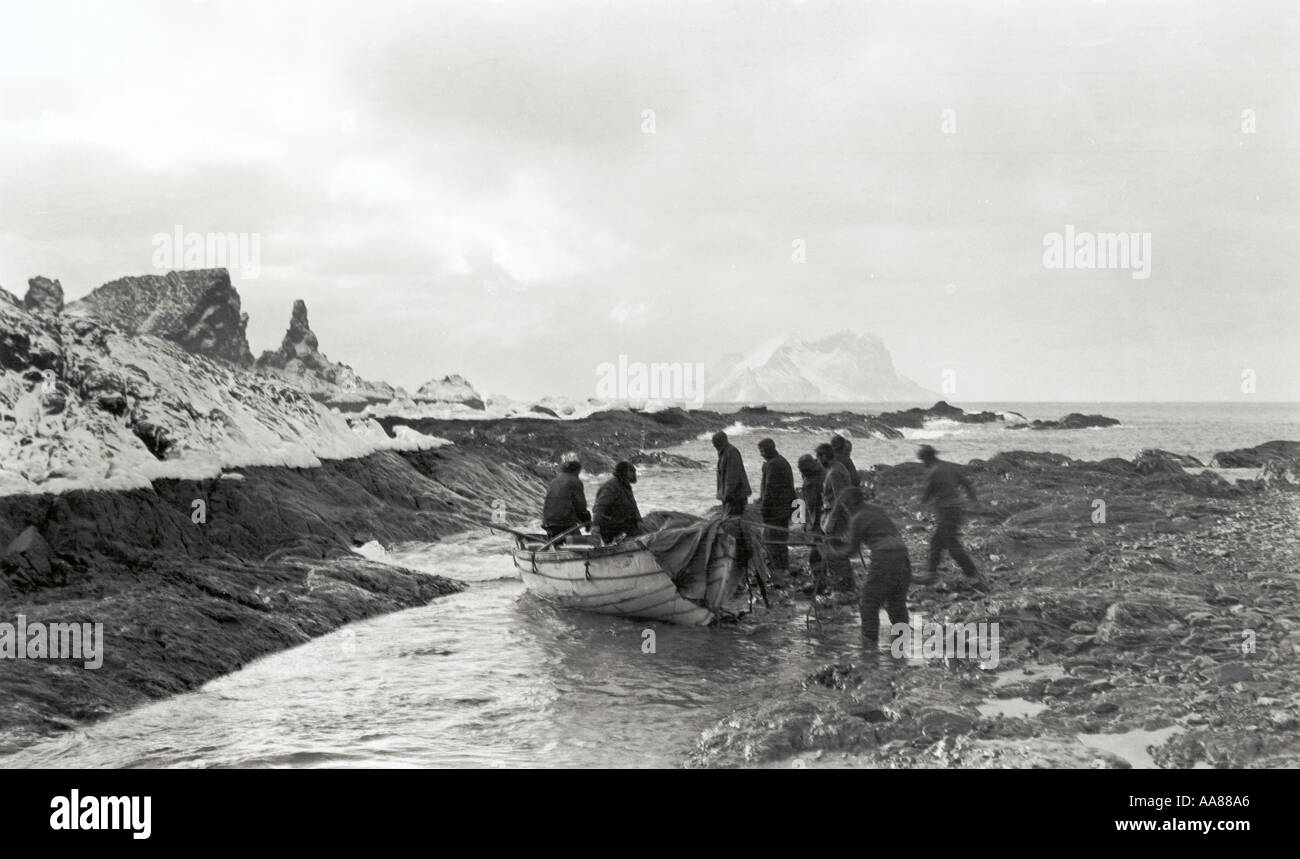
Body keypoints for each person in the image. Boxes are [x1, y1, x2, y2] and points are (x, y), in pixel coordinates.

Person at [825, 485, 912, 647]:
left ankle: (869, 649)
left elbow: (851, 551)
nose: (845, 510)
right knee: (896, 603)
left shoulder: (857, 517)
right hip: (903, 556)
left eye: (845, 506)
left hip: (885, 560)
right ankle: (902, 647)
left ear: (850, 504)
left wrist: (830, 553)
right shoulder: (876, 510)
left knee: (868, 604)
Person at [917, 444, 983, 586]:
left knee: (951, 543)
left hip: (947, 510)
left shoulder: (933, 472)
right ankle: (931, 573)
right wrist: (973, 500)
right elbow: (966, 483)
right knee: (937, 541)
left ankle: (971, 572)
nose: (923, 464)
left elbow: (927, 495)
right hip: (957, 508)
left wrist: (921, 502)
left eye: (923, 461)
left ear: (927, 458)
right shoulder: (948, 466)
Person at [816, 443, 855, 593]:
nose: (818, 461)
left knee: (835, 552)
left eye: (818, 457)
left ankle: (844, 586)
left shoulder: (834, 473)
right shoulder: (839, 467)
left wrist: (831, 522)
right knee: (836, 550)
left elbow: (840, 499)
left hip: (836, 517)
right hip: (836, 515)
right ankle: (843, 584)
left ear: (824, 456)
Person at [757, 438, 797, 574]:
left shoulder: (773, 464)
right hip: (784, 509)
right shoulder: (782, 461)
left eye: (762, 450)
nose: (761, 454)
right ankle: (782, 568)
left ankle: (777, 571)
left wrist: (764, 508)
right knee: (780, 541)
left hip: (775, 510)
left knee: (772, 541)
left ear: (768, 449)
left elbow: (770, 489)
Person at [541, 453, 592, 543]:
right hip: (564, 525)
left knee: (560, 543)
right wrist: (587, 522)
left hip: (548, 524)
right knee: (589, 543)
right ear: (576, 470)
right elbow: (580, 508)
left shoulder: (554, 481)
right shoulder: (575, 481)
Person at [593, 461, 643, 543]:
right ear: (623, 472)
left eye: (635, 471)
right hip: (612, 529)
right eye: (632, 471)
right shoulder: (611, 487)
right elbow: (599, 507)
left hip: (624, 525)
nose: (635, 474)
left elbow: (633, 505)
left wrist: (639, 519)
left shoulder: (625, 485)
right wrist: (595, 526)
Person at [712, 431, 752, 516]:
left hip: (735, 497)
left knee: (732, 522)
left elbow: (732, 476)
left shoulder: (731, 452)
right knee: (730, 521)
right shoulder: (725, 452)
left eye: (715, 442)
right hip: (730, 497)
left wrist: (728, 495)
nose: (714, 445)